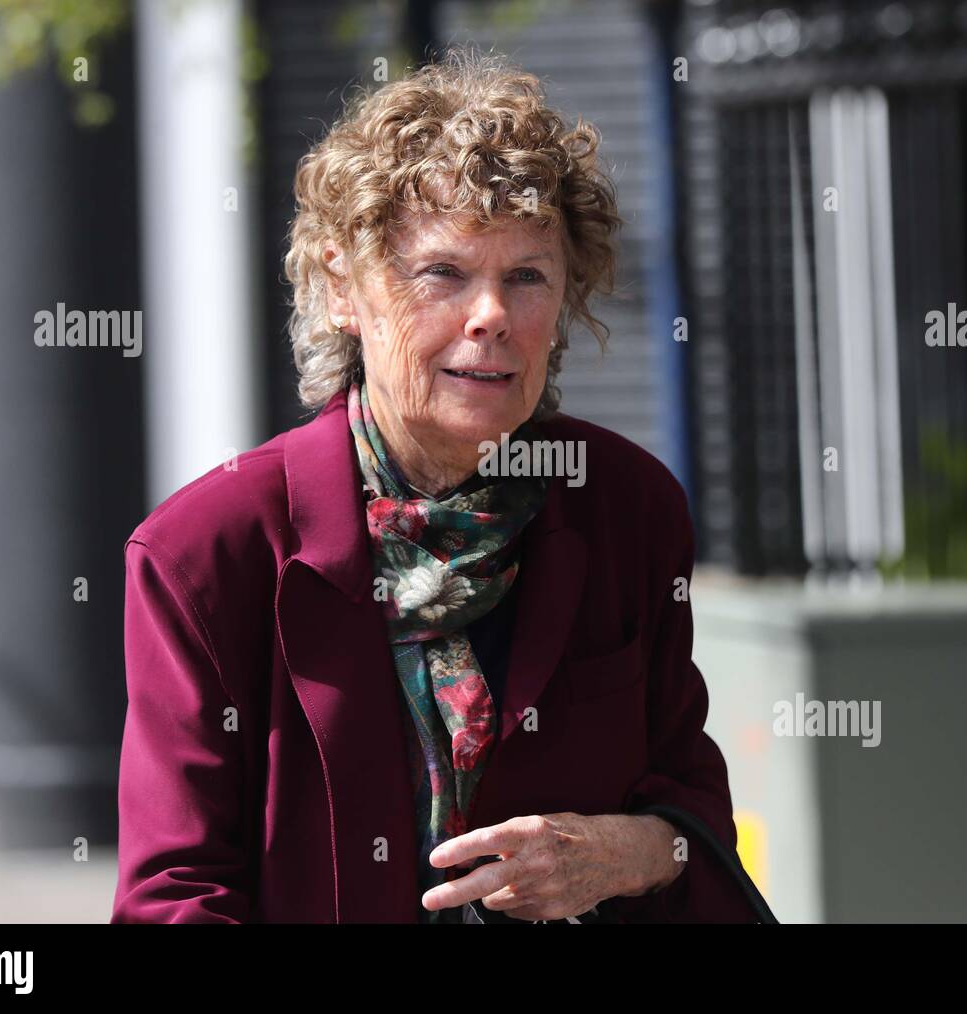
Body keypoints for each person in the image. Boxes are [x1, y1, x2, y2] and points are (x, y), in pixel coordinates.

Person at [111, 47, 758, 924]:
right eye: (443, 274)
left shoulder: (627, 507)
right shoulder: (205, 552)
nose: (490, 314)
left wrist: (624, 851)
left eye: (526, 276)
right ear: (344, 286)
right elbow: (173, 896)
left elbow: (695, 823)